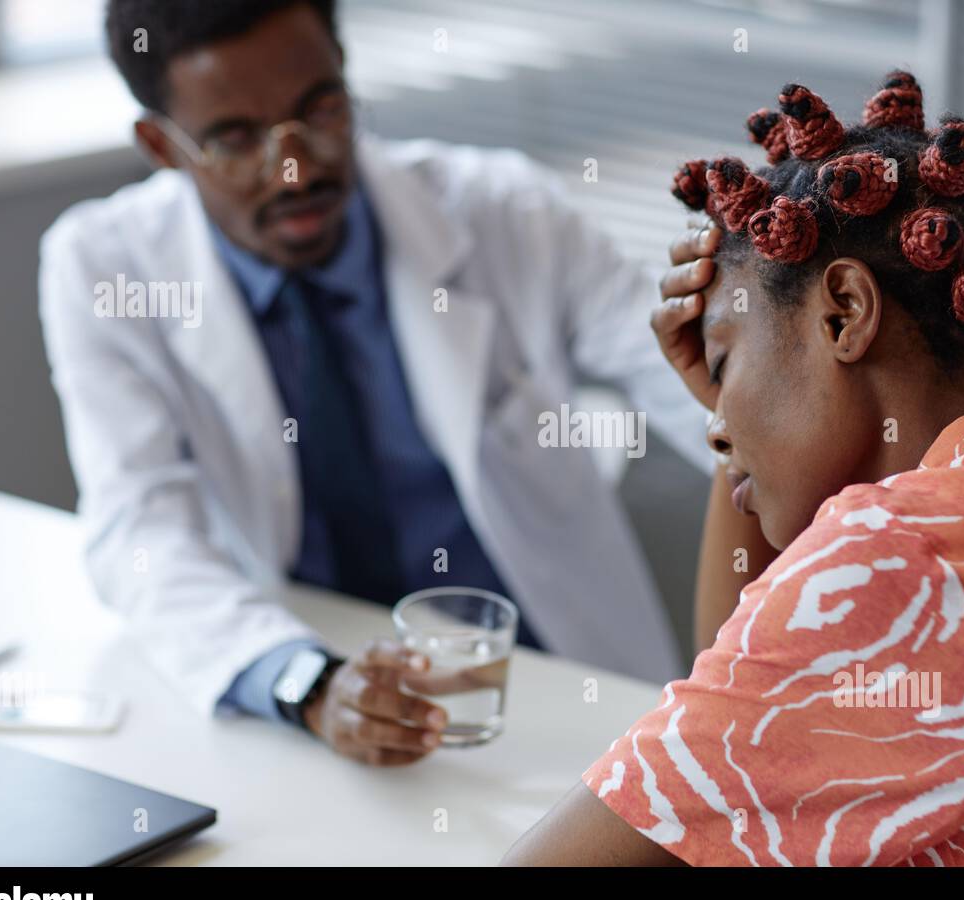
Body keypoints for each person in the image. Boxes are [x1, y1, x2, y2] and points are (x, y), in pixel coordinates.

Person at [504, 72, 964, 865]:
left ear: (845, 313)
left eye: (724, 361)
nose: (717, 428)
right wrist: (734, 408)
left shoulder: (894, 558)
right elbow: (738, 743)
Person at [38, 0, 710, 767]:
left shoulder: (505, 209)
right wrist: (305, 682)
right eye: (235, 138)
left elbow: (694, 386)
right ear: (162, 145)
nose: (296, 168)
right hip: (301, 675)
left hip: (549, 672)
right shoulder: (103, 266)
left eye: (318, 109)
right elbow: (139, 531)